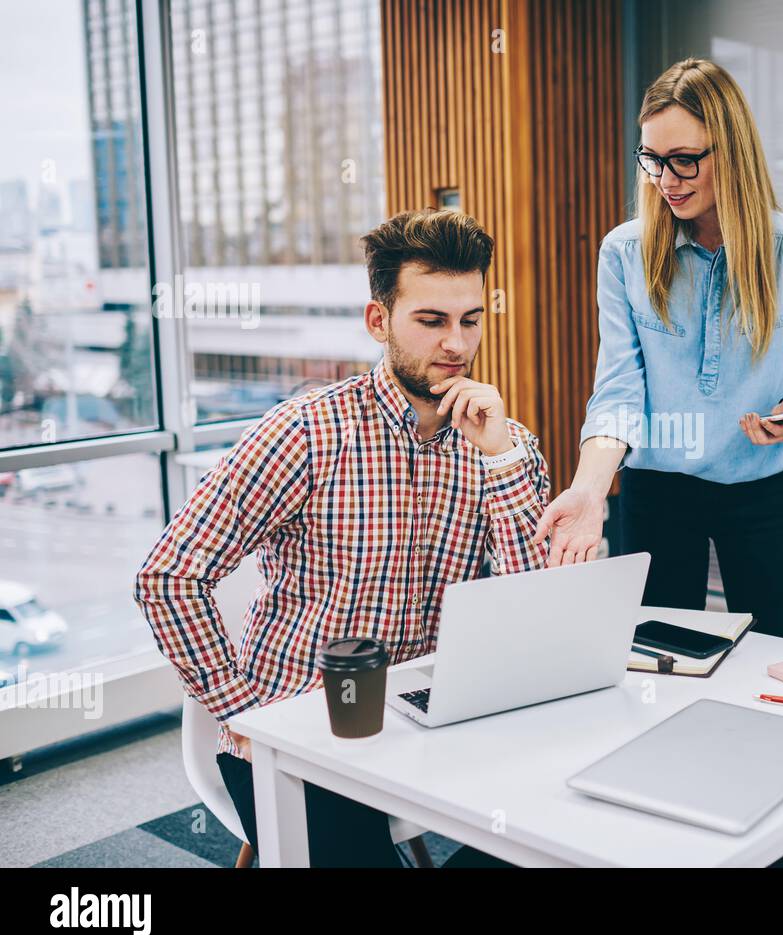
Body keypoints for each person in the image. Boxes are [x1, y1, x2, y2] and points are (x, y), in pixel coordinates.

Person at [134, 208, 547, 867]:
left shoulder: (503, 443)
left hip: (436, 723)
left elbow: (535, 610)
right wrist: (244, 712)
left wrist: (500, 459)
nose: (457, 344)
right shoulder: (307, 431)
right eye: (432, 320)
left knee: (557, 840)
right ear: (379, 321)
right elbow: (168, 576)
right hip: (301, 731)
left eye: (470, 320)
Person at [536, 56, 783, 646]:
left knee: (773, 655)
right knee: (657, 661)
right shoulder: (624, 252)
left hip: (761, 490)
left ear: (730, 152)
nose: (666, 179)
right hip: (658, 493)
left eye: (684, 159)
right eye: (652, 159)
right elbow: (619, 388)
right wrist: (588, 487)